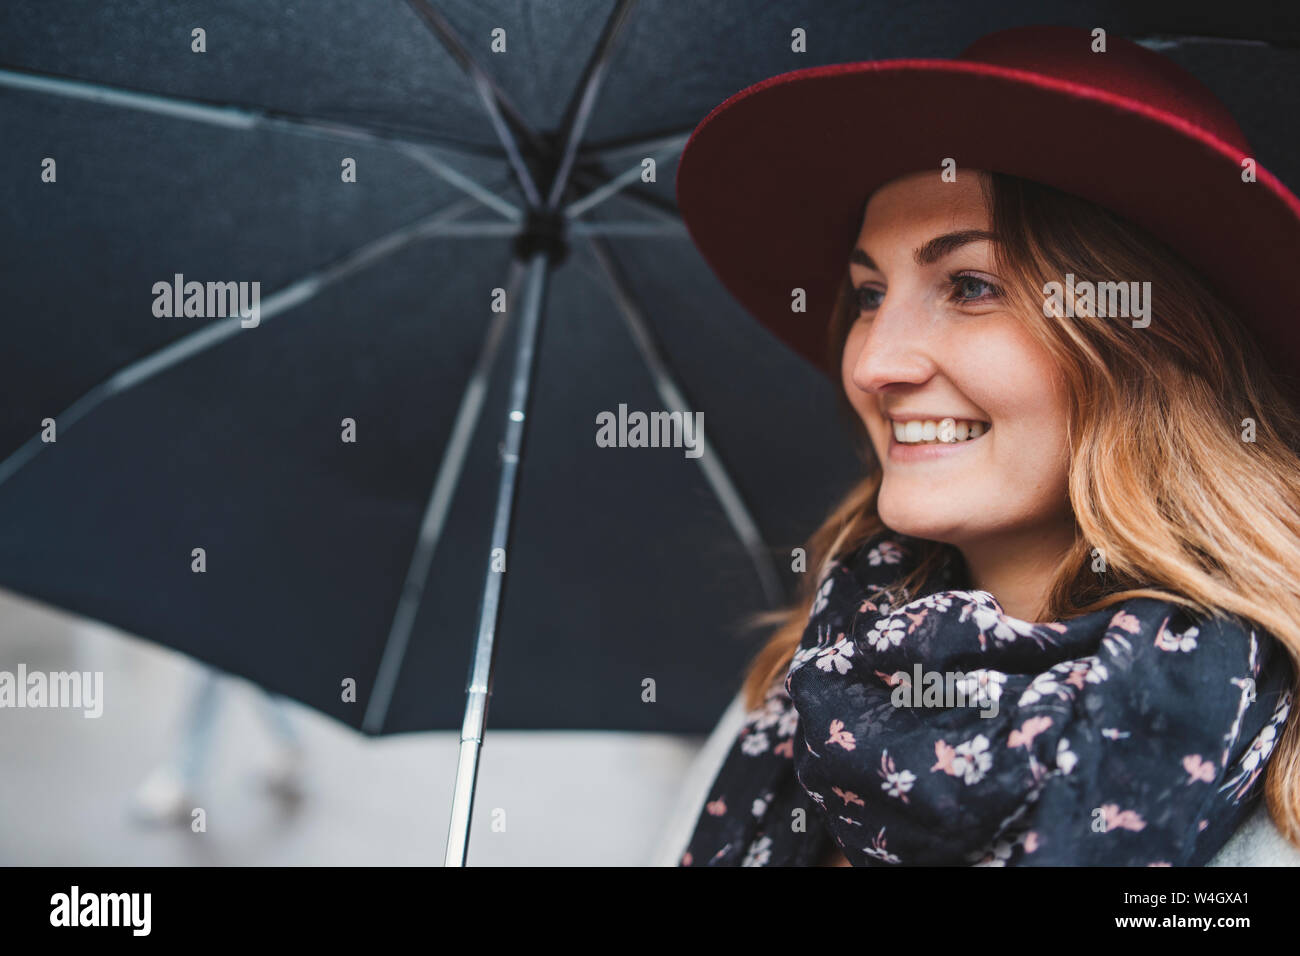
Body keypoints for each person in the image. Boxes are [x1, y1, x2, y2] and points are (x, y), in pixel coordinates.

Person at [666, 25, 1300, 866]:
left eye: (969, 285)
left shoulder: (1277, 761)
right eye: (866, 295)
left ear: (1153, 344)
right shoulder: (799, 686)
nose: (876, 363)